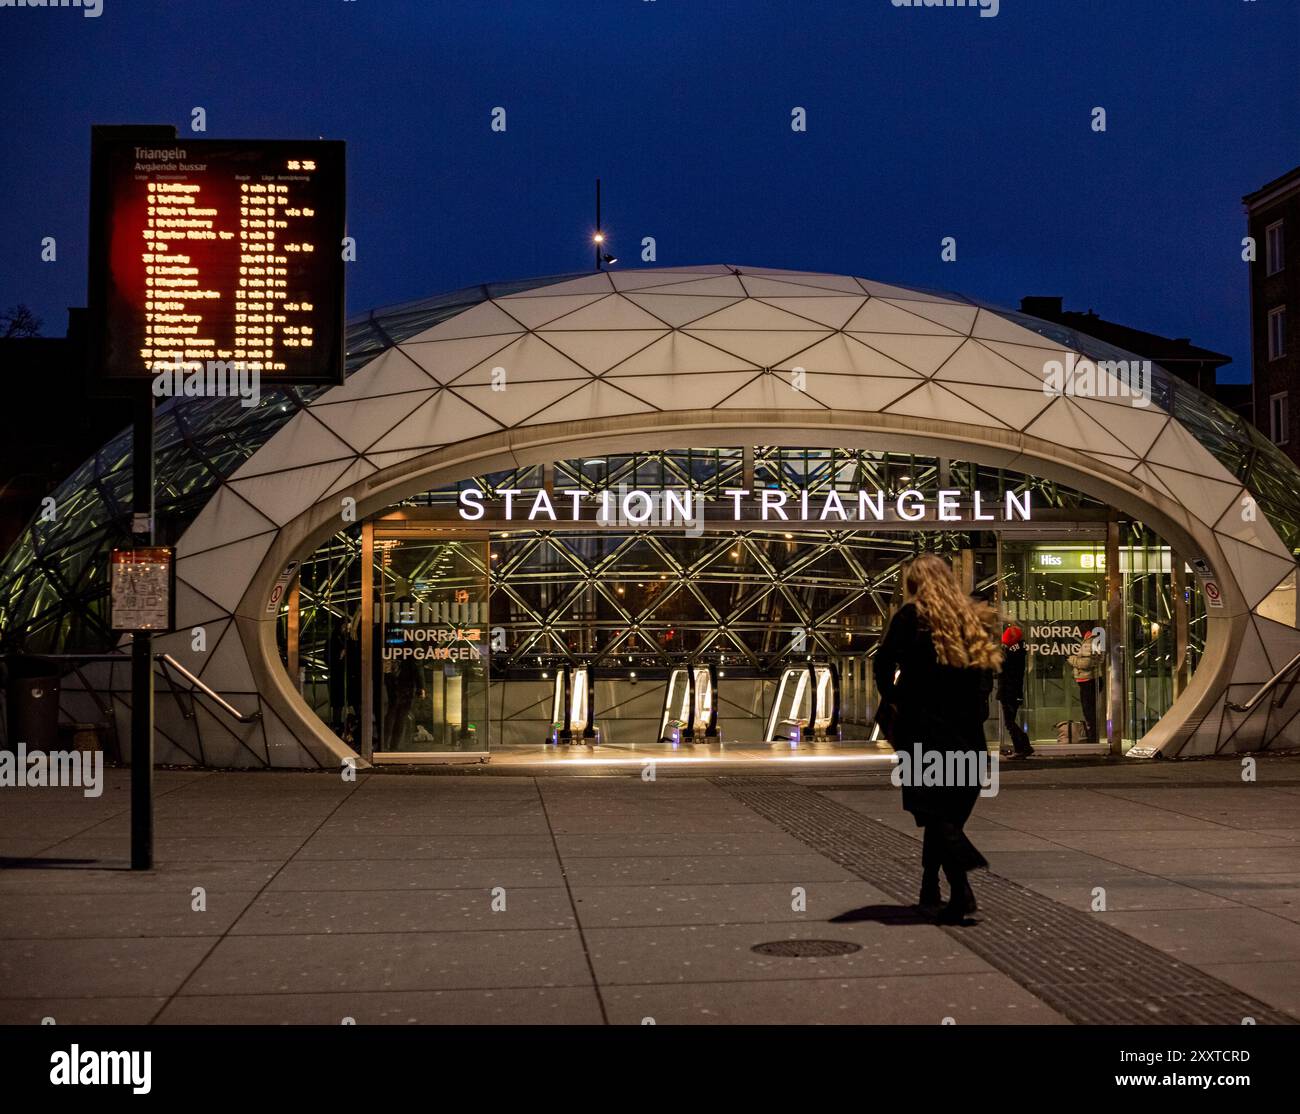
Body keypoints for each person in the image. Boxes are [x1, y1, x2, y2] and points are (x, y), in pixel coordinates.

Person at [874, 554, 1002, 924]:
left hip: (925, 734)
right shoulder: (972, 618)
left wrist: (894, 699)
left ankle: (960, 889)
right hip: (968, 738)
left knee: (937, 817)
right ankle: (930, 887)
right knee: (945, 818)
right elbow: (984, 677)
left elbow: (882, 662)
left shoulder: (911, 617)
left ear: (913, 583)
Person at [998, 623, 1033, 758]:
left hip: (1009, 691)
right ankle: (1023, 747)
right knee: (1010, 721)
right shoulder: (1017, 651)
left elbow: (1004, 669)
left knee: (1009, 722)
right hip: (1012, 691)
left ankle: (1022, 747)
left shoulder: (1012, 653)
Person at [1067, 627, 1102, 744]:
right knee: (1089, 710)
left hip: (1088, 680)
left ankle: (1092, 737)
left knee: (1089, 710)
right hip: (1087, 680)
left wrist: (1072, 660)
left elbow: (1087, 663)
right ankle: (1092, 735)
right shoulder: (1090, 641)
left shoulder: (1090, 641)